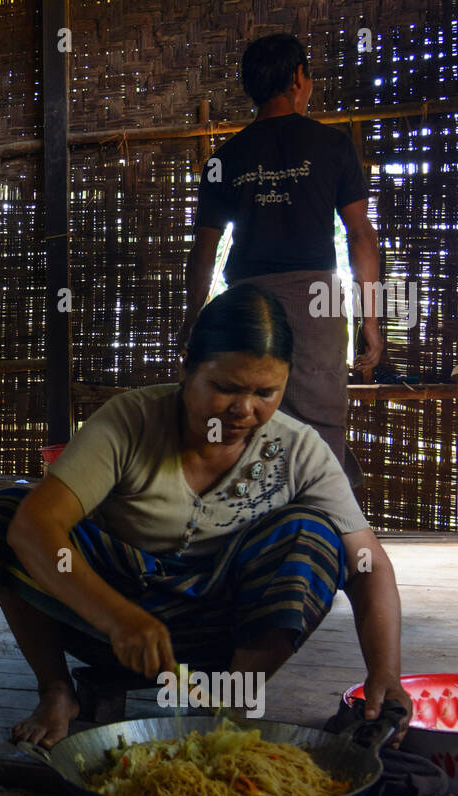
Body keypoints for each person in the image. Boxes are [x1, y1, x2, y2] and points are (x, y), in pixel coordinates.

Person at [0, 284, 412, 748]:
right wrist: (118, 617)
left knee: (314, 535)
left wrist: (384, 672)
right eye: (225, 388)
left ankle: (229, 704)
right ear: (186, 365)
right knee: (8, 515)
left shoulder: (299, 449)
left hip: (222, 633)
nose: (245, 410)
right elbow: (35, 526)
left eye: (267, 392)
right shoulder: (131, 422)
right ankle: (57, 691)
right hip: (104, 627)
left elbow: (370, 566)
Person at [181, 32, 382, 484]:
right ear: (297, 79)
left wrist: (194, 315)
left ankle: (251, 529)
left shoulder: (226, 157)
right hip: (317, 298)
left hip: (246, 302)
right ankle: (322, 530)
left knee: (246, 417)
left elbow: (204, 249)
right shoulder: (333, 146)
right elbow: (360, 237)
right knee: (321, 419)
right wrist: (372, 319)